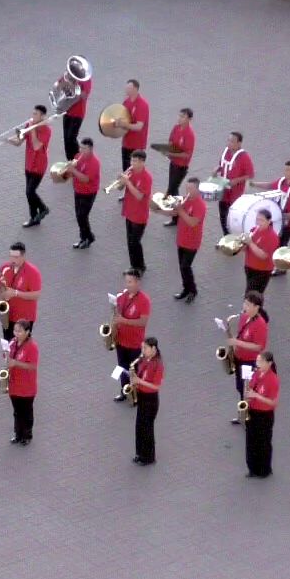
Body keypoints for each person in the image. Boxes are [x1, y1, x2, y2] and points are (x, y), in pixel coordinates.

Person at [7, 104, 52, 226]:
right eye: (33, 113)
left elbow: (37, 146)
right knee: (29, 193)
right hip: (28, 163)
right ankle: (34, 217)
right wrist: (8, 140)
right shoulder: (29, 125)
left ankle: (43, 208)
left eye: (35, 114)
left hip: (39, 165)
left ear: (42, 116)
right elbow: (19, 142)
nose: (33, 116)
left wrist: (32, 130)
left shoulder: (46, 130)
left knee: (30, 192)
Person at [110, 269, 151, 402]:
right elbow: (116, 316)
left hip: (135, 343)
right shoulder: (121, 297)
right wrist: (113, 329)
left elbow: (143, 322)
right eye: (126, 281)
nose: (127, 285)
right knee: (121, 367)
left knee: (134, 370)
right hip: (121, 340)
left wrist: (124, 321)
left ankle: (136, 395)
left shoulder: (144, 301)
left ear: (138, 282)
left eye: (130, 282)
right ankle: (124, 391)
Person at [226, 290, 268, 399]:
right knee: (240, 387)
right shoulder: (244, 317)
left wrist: (237, 342)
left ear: (257, 307)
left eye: (248, 305)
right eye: (244, 303)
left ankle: (248, 413)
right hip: (239, 358)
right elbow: (241, 334)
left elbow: (259, 347)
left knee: (247, 390)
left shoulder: (261, 325)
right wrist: (234, 346)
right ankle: (243, 412)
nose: (244, 307)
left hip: (249, 363)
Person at [169, 178, 206, 301]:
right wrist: (159, 209)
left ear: (197, 189)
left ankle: (193, 290)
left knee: (185, 266)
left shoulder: (200, 205)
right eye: (187, 188)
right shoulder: (185, 200)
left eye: (191, 188)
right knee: (182, 266)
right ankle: (186, 289)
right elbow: (175, 214)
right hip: (181, 239)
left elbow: (192, 222)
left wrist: (180, 210)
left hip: (192, 242)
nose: (188, 191)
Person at [129, 337, 164, 465]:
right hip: (142, 396)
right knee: (139, 426)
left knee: (147, 428)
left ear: (153, 349)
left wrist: (139, 381)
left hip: (151, 400)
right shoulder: (143, 359)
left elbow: (156, 386)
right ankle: (140, 453)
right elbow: (139, 374)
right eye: (142, 347)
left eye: (145, 348)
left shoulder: (158, 365)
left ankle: (149, 457)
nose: (142, 350)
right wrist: (133, 380)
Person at [244, 351, 279, 477]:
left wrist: (256, 396)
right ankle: (252, 468)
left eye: (260, 361)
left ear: (269, 363)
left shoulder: (273, 380)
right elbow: (251, 388)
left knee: (263, 442)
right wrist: (247, 394)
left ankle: (264, 469)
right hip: (253, 411)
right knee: (251, 441)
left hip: (265, 414)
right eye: (257, 361)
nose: (257, 363)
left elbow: (273, 403)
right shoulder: (256, 374)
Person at [0, 241, 40, 340]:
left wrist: (15, 293)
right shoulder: (4, 267)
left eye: (16, 257)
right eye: (11, 256)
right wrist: (2, 298)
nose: (12, 260)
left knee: (21, 345)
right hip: (8, 315)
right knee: (8, 342)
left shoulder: (33, 272)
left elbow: (36, 295)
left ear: (23, 256)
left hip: (24, 318)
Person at [118, 149, 153, 273]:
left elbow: (139, 196)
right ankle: (134, 266)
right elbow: (120, 188)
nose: (132, 163)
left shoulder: (146, 178)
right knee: (129, 241)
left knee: (135, 242)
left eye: (135, 161)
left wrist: (128, 182)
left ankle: (140, 266)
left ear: (142, 162)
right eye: (132, 160)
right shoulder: (130, 172)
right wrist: (122, 181)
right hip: (129, 212)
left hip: (139, 215)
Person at [4, 320, 38, 445]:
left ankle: (27, 435)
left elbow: (33, 366)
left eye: (19, 331)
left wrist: (16, 363)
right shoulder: (12, 342)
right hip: (14, 385)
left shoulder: (32, 347)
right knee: (17, 411)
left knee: (27, 412)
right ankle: (18, 434)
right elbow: (8, 358)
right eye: (15, 330)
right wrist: (6, 356)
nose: (16, 333)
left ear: (27, 332)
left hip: (27, 387)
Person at [69, 137, 101, 248]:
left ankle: (88, 238)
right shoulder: (78, 157)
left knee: (82, 216)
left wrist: (73, 170)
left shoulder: (94, 163)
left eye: (84, 148)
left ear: (91, 149)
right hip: (78, 190)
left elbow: (86, 179)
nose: (81, 150)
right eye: (80, 147)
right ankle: (85, 238)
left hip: (88, 193)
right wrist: (69, 169)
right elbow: (73, 173)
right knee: (79, 216)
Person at [243, 207, 278, 301]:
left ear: (269, 221)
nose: (258, 222)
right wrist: (243, 244)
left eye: (261, 220)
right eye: (257, 219)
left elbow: (263, 255)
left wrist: (250, 243)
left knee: (251, 297)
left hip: (261, 271)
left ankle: (252, 314)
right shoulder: (254, 230)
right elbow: (247, 249)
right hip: (250, 267)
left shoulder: (272, 237)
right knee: (252, 296)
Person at [117, 79, 149, 170]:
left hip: (137, 145)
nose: (126, 90)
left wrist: (124, 124)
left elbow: (139, 126)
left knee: (135, 171)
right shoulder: (126, 102)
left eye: (129, 88)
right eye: (126, 87)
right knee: (126, 170)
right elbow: (122, 119)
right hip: (126, 143)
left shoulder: (142, 104)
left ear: (135, 89)